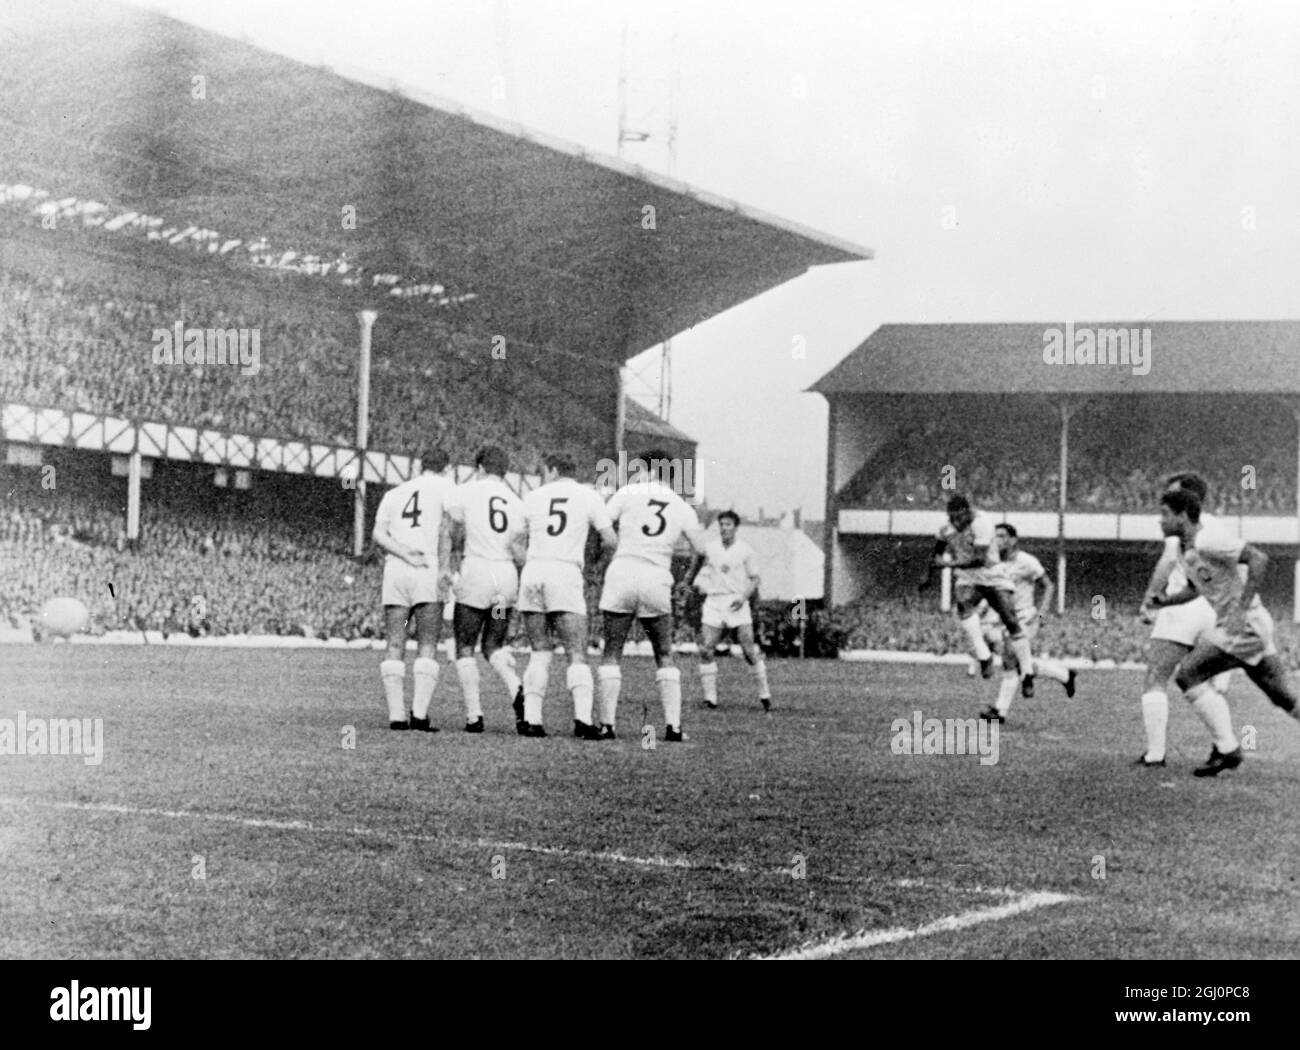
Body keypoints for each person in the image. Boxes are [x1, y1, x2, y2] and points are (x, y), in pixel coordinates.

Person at [1151, 488, 1300, 776]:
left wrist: (1242, 609)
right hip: (1243, 626)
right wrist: (1166, 601)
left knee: (1187, 674)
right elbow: (1196, 589)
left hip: (1244, 626)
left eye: (1165, 514)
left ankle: (1228, 748)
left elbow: (1258, 558)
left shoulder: (1209, 540)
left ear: (1182, 516)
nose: (1160, 521)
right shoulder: (1188, 548)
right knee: (1280, 695)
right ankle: (1227, 748)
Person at [596, 450, 708, 741]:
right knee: (664, 654)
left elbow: (603, 528)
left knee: (612, 651)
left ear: (646, 469)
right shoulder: (682, 506)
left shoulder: (627, 492)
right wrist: (686, 581)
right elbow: (702, 549)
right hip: (656, 578)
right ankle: (673, 727)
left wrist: (605, 556)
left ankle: (607, 725)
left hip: (622, 572)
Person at [516, 453, 617, 738]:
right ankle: (583, 721)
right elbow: (610, 540)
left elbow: (513, 540)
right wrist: (596, 569)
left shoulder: (533, 496)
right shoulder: (589, 496)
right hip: (566, 572)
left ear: (553, 470)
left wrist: (530, 564)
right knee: (576, 651)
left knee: (539, 649)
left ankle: (533, 720)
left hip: (535, 571)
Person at [1134, 472, 1231, 768]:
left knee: (1156, 677)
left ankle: (1155, 753)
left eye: (1172, 494)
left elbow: (1166, 562)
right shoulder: (1218, 525)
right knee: (1201, 682)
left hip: (1184, 604)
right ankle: (1224, 745)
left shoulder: (1182, 528)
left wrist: (1150, 599)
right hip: (1215, 607)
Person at [371, 448, 456, 731]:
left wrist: (403, 553)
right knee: (428, 641)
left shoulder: (393, 494)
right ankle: (419, 715)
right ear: (447, 468)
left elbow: (379, 534)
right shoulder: (446, 486)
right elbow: (451, 524)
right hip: (426, 565)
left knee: (395, 641)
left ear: (420, 467)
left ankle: (396, 716)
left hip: (396, 567)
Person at [446, 445, 526, 733]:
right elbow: (520, 549)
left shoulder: (467, 491)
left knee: (465, 645)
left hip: (477, 571)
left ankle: (474, 715)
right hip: (505, 577)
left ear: (479, 468)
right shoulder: (517, 501)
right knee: (494, 644)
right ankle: (517, 687)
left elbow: (454, 528)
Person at [919, 494, 1033, 686]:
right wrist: (928, 575)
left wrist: (947, 564)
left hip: (992, 574)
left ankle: (1028, 671)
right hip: (968, 577)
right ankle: (984, 656)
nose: (955, 523)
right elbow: (936, 552)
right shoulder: (945, 526)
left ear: (968, 512)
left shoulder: (983, 523)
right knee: (963, 603)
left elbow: (979, 560)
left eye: (959, 518)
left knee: (1010, 620)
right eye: (952, 518)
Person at [978, 523, 1077, 723]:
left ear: (1014, 540)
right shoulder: (994, 563)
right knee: (1014, 661)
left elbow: (1048, 586)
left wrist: (1041, 615)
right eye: (995, 536)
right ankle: (1064, 675)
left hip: (1026, 618)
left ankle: (1000, 712)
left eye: (1003, 536)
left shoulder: (1027, 562)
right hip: (1005, 618)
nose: (998, 540)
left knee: (1009, 657)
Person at [687, 510, 771, 711]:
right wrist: (687, 583)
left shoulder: (745, 550)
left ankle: (765, 694)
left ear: (735, 527)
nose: (724, 528)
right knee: (706, 648)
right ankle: (710, 698)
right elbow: (696, 562)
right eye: (722, 524)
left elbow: (755, 579)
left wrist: (743, 598)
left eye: (728, 525)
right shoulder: (710, 548)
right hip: (714, 602)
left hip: (737, 602)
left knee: (749, 651)